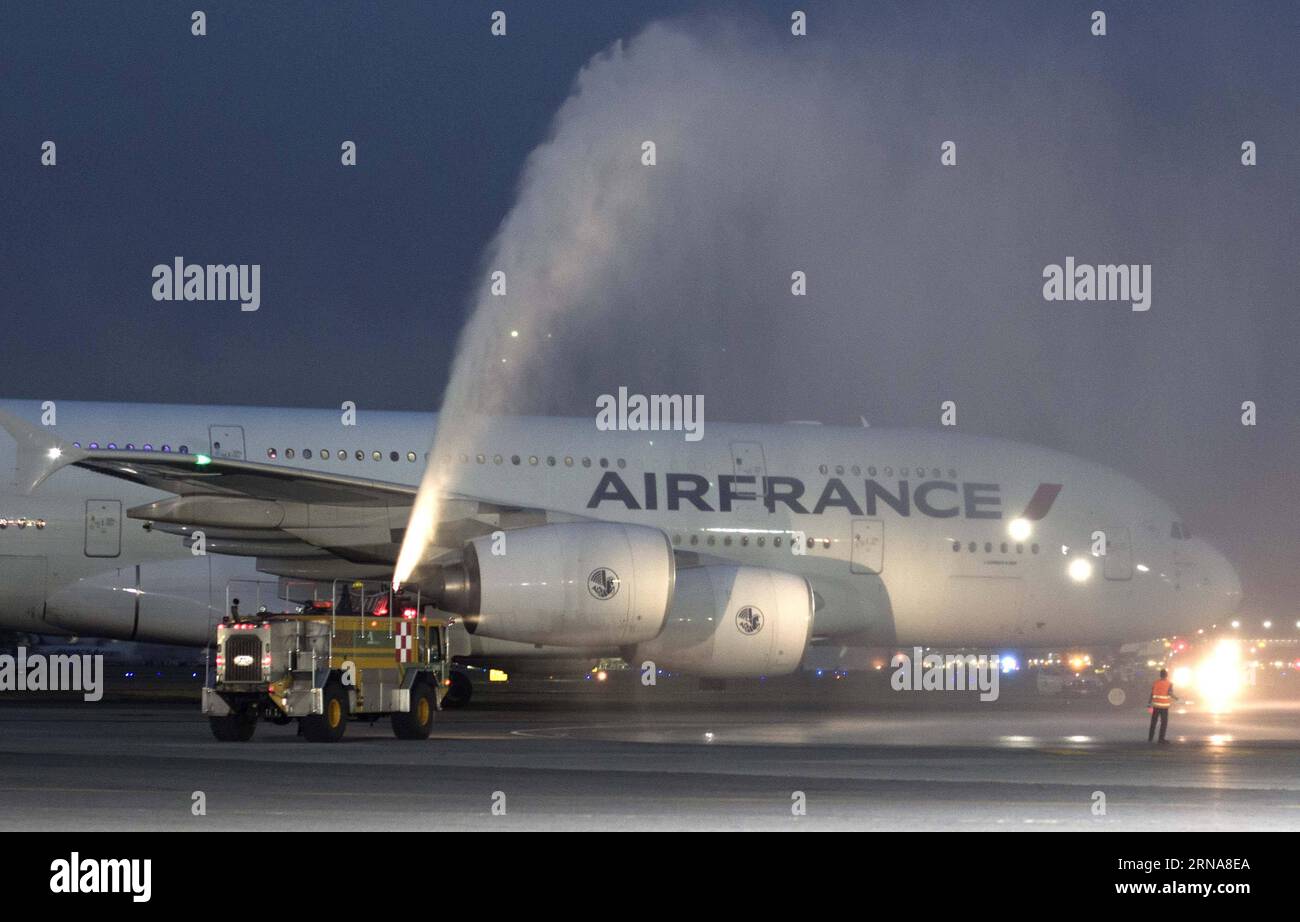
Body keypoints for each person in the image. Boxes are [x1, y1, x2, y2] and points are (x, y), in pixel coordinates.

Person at [1148, 668, 1178, 743]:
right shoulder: (1169, 683)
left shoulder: (1155, 683)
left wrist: (1149, 703)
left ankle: (1150, 738)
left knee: (1153, 722)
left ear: (1160, 675)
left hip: (1156, 706)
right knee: (1163, 723)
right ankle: (1161, 739)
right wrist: (1177, 698)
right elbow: (1170, 693)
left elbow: (1152, 693)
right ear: (1166, 675)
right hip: (1164, 707)